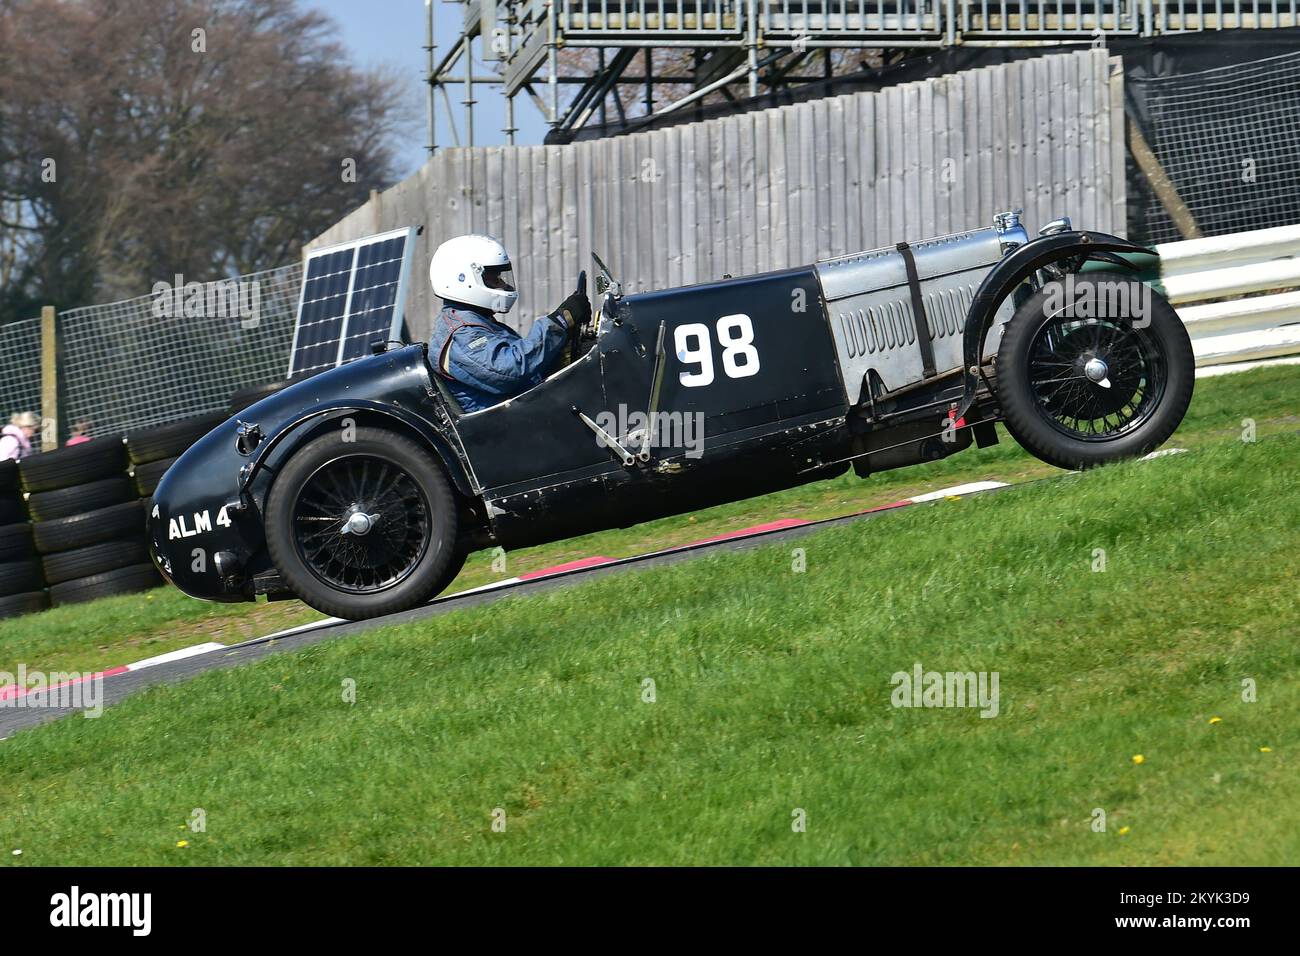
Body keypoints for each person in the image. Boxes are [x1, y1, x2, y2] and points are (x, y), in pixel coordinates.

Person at [427, 234, 591, 413]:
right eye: (494, 279)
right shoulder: (462, 333)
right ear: (463, 280)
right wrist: (560, 321)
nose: (503, 285)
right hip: (509, 428)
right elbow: (509, 371)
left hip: (527, 411)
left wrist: (564, 345)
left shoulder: (475, 320)